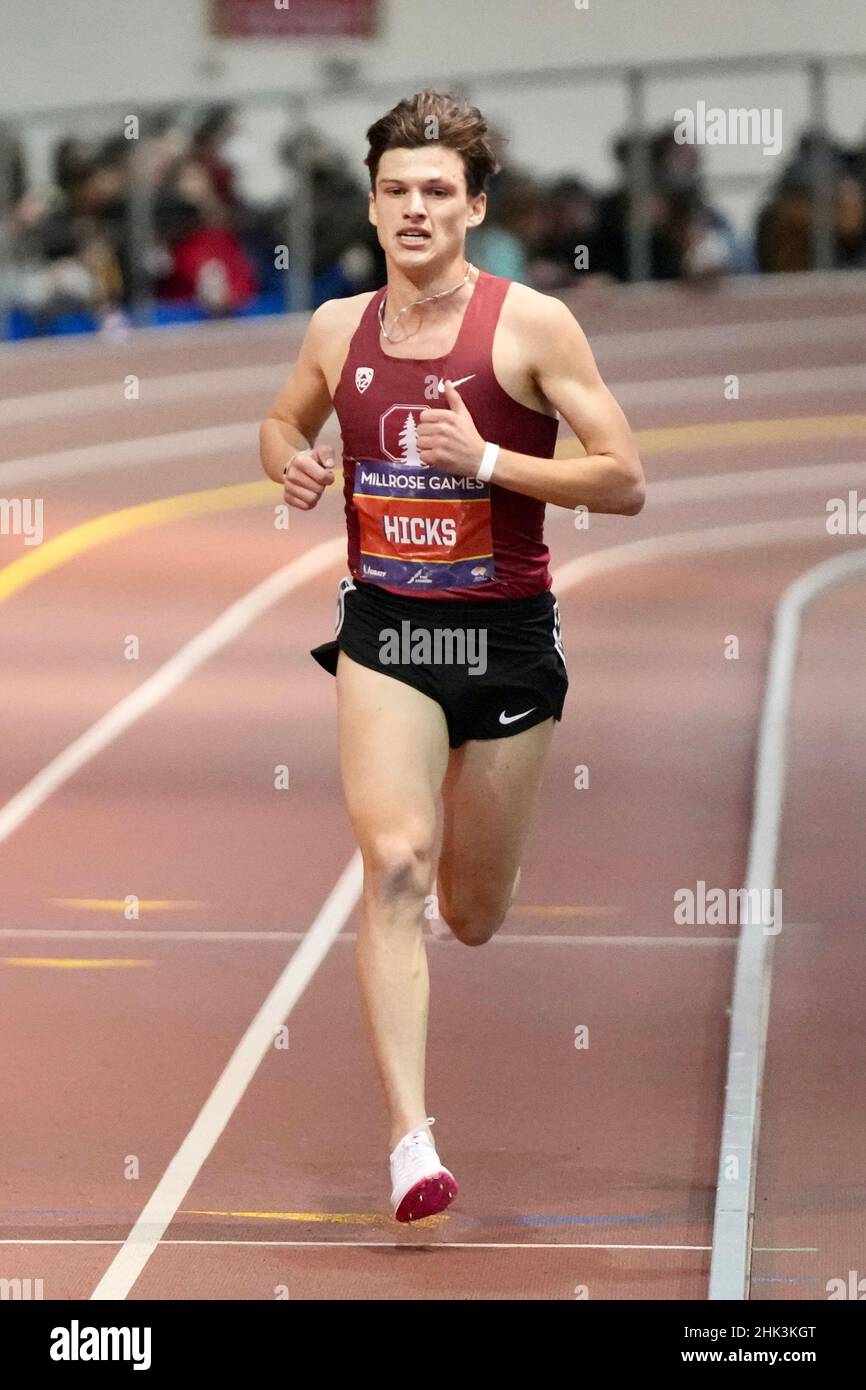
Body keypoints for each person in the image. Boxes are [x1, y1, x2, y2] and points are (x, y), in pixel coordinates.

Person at [259, 90, 645, 1223]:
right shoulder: (336, 329)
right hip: (388, 630)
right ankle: (408, 1142)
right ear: (371, 208)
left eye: (437, 190)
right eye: (394, 191)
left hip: (507, 638)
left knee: (471, 912)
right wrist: (289, 459)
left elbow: (622, 479)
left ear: (474, 206)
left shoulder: (531, 327)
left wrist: (489, 461)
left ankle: (456, 827)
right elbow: (280, 420)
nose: (414, 209)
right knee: (391, 866)